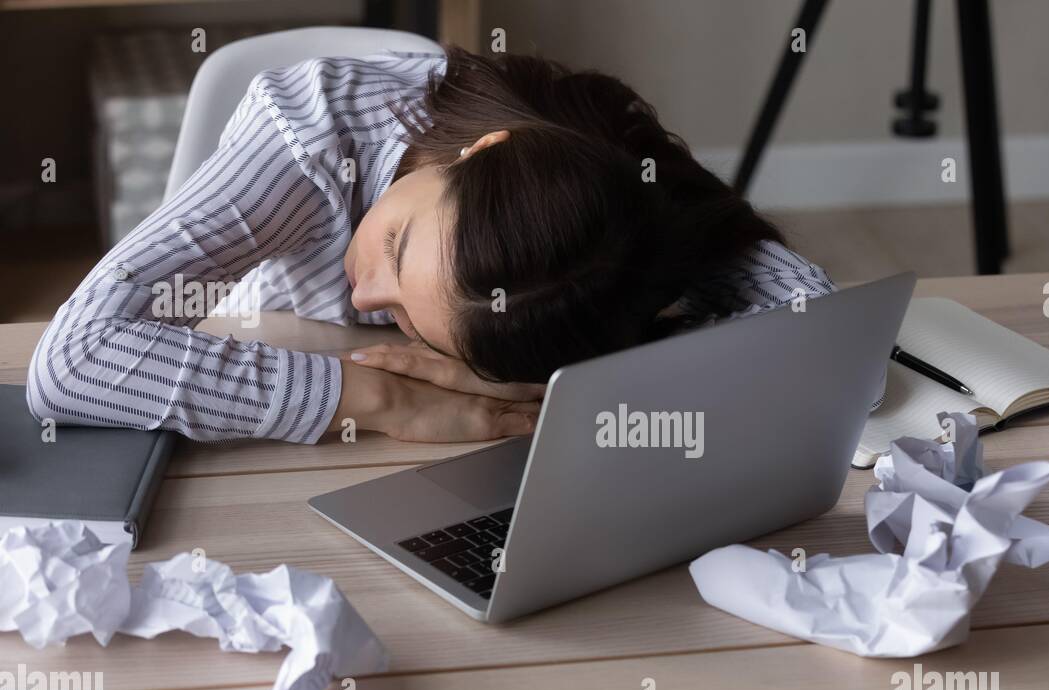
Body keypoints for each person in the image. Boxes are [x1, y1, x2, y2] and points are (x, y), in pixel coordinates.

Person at [27, 45, 836, 445]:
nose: (363, 295)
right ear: (479, 150)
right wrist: (388, 401)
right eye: (396, 243)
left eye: (412, 320)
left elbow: (824, 338)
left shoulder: (620, 202)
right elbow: (71, 361)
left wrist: (571, 383)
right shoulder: (301, 133)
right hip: (278, 370)